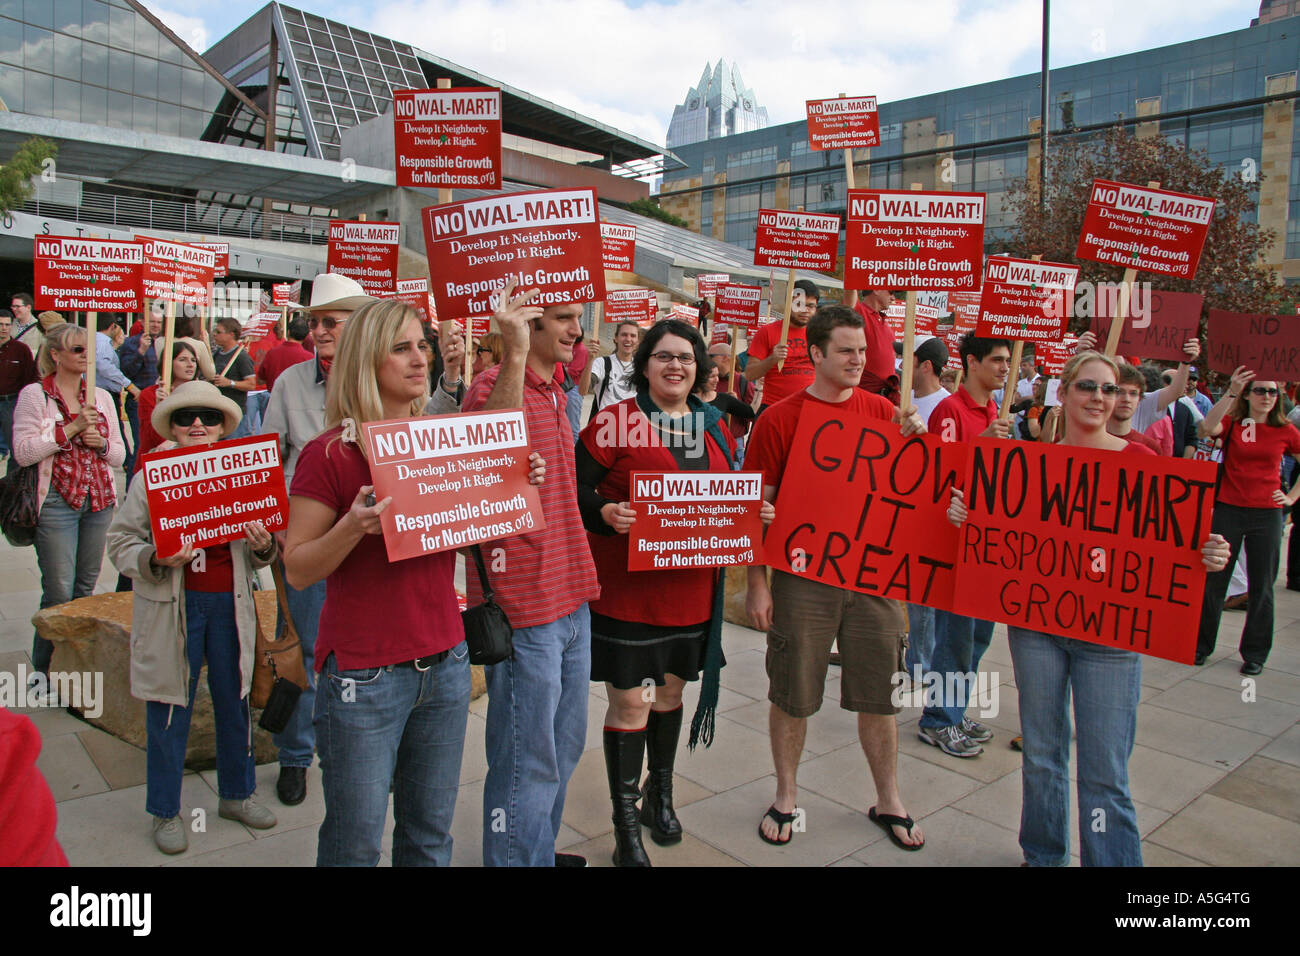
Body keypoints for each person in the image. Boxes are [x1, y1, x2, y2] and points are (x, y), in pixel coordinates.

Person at [946, 350, 1229, 865]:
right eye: (1087, 387)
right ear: (1065, 392)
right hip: (1037, 630)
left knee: (1105, 772)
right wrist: (968, 514)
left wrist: (1208, 553)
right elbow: (996, 528)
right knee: (1042, 758)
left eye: (1109, 388)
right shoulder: (1027, 464)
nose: (1099, 398)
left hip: (1111, 641)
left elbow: (1176, 545)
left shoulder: (1143, 463)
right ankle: (1044, 855)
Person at [284, 299, 504, 866]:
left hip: (446, 665)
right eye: (401, 348)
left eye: (422, 346)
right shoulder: (328, 454)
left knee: (429, 838)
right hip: (363, 677)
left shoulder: (440, 444)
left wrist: (508, 480)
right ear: (366, 359)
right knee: (354, 845)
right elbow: (298, 566)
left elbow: (469, 529)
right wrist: (352, 528)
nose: (418, 359)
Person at [577, 319, 769, 865]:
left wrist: (754, 515)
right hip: (627, 594)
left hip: (688, 593)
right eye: (663, 356)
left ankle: (660, 794)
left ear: (700, 367)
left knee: (669, 695)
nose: (675, 366)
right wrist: (607, 512)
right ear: (644, 365)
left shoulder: (715, 428)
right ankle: (626, 825)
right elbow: (575, 486)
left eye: (685, 357)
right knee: (630, 701)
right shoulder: (617, 423)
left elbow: (726, 499)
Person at [745, 305, 927, 850]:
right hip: (804, 581)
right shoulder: (778, 420)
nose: (857, 360)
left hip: (874, 580)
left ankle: (889, 799)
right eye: (845, 350)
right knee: (793, 692)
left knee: (880, 695)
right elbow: (758, 508)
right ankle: (786, 795)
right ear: (816, 353)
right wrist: (757, 583)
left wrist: (920, 446)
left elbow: (915, 498)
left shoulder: (885, 413)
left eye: (863, 351)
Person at [107, 380, 279, 854]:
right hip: (173, 608)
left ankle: (237, 794)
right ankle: (165, 811)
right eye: (185, 417)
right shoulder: (151, 475)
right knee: (167, 710)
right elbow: (120, 545)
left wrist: (264, 544)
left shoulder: (243, 471)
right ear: (173, 427)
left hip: (230, 603)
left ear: (224, 423)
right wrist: (157, 558)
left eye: (206, 416)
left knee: (235, 701)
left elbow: (264, 549)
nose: (197, 424)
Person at [462, 279, 600, 868]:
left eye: (577, 318)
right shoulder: (494, 386)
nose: (577, 330)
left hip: (571, 597)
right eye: (564, 319)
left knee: (563, 746)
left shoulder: (559, 390)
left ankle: (534, 850)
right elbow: (484, 457)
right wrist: (512, 351)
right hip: (524, 603)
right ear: (530, 324)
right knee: (526, 755)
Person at [261, 274, 370, 806]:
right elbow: (268, 460)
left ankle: (349, 753)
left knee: (356, 653)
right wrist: (283, 534)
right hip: (307, 546)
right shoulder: (289, 385)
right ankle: (295, 758)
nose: (318, 331)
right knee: (302, 650)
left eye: (330, 321)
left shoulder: (378, 380)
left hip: (366, 548)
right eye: (314, 321)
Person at [12, 323, 126, 677]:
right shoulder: (36, 395)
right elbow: (23, 452)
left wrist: (102, 444)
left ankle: (77, 669)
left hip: (98, 502)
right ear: (55, 355)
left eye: (88, 350)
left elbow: (121, 455)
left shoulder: (102, 396)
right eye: (77, 350)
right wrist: (72, 429)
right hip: (56, 503)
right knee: (59, 592)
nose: (85, 356)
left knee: (85, 589)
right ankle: (45, 672)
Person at [918, 332, 1012, 757]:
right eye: (996, 360)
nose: (1005, 368)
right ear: (971, 363)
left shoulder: (996, 409)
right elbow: (942, 476)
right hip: (955, 542)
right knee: (954, 638)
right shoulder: (952, 411)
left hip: (986, 544)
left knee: (976, 639)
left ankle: (953, 708)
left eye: (1008, 360)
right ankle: (938, 719)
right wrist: (984, 445)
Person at [1195, 367, 1300, 675]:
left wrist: (1291, 497)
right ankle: (1201, 645)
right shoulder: (1236, 422)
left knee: (1262, 585)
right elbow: (1206, 428)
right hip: (1229, 508)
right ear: (1248, 393)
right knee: (1215, 580)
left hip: (1266, 513)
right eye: (1259, 390)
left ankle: (1255, 653)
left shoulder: (1285, 429)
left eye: (1271, 391)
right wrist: (1231, 390)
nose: (1266, 397)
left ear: (1279, 396)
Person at [902, 335, 949, 680]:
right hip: (901, 511)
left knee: (925, 598)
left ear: (926, 366)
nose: (903, 368)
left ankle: (923, 664)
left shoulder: (946, 407)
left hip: (931, 516)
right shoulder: (901, 402)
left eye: (909, 361)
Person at [745, 279, 819, 411]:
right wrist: (772, 359)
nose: (805, 310)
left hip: (809, 408)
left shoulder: (821, 334)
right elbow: (750, 374)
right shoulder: (767, 332)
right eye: (799, 304)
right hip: (774, 407)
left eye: (810, 306)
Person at [133, 341, 201, 472]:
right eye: (182, 359)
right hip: (155, 467)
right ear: (168, 363)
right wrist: (162, 408)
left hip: (189, 466)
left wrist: (174, 442)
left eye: (193, 360)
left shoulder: (200, 395)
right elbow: (151, 438)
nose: (190, 364)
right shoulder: (149, 395)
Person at [118, 307, 164, 481]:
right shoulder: (131, 343)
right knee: (140, 447)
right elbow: (126, 372)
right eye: (152, 321)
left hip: (160, 398)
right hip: (139, 401)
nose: (155, 326)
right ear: (143, 321)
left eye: (159, 322)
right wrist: (140, 352)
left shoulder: (163, 343)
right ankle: (131, 490)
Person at [845, 288, 900, 404]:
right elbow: (850, 289)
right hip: (864, 397)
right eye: (891, 292)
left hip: (886, 398)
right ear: (877, 289)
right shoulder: (858, 312)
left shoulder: (885, 322)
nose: (893, 298)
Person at [0, 310, 38, 467]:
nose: (4, 328)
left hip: (11, 403)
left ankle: (12, 489)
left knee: (16, 449)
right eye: (0, 324)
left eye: (7, 324)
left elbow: (29, 378)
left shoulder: (21, 350)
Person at [210, 318, 257, 439]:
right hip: (218, 412)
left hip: (235, 414)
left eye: (219, 332)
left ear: (231, 335)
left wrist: (229, 383)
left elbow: (251, 384)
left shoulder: (241, 357)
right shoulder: (216, 354)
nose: (214, 334)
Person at [585, 320, 638, 422]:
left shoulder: (641, 367)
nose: (628, 339)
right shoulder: (602, 363)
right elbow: (584, 390)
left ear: (637, 341)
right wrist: (589, 360)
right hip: (605, 429)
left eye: (633, 336)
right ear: (616, 338)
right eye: (624, 335)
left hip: (632, 429)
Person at [1106, 364, 1164, 453]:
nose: (1126, 399)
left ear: (1139, 398)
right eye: (1119, 392)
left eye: (1133, 393)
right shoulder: (1087, 441)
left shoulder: (1150, 448)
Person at [257, 315, 313, 393]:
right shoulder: (309, 358)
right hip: (298, 400)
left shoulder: (272, 353)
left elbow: (260, 380)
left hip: (274, 399)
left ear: (288, 332)